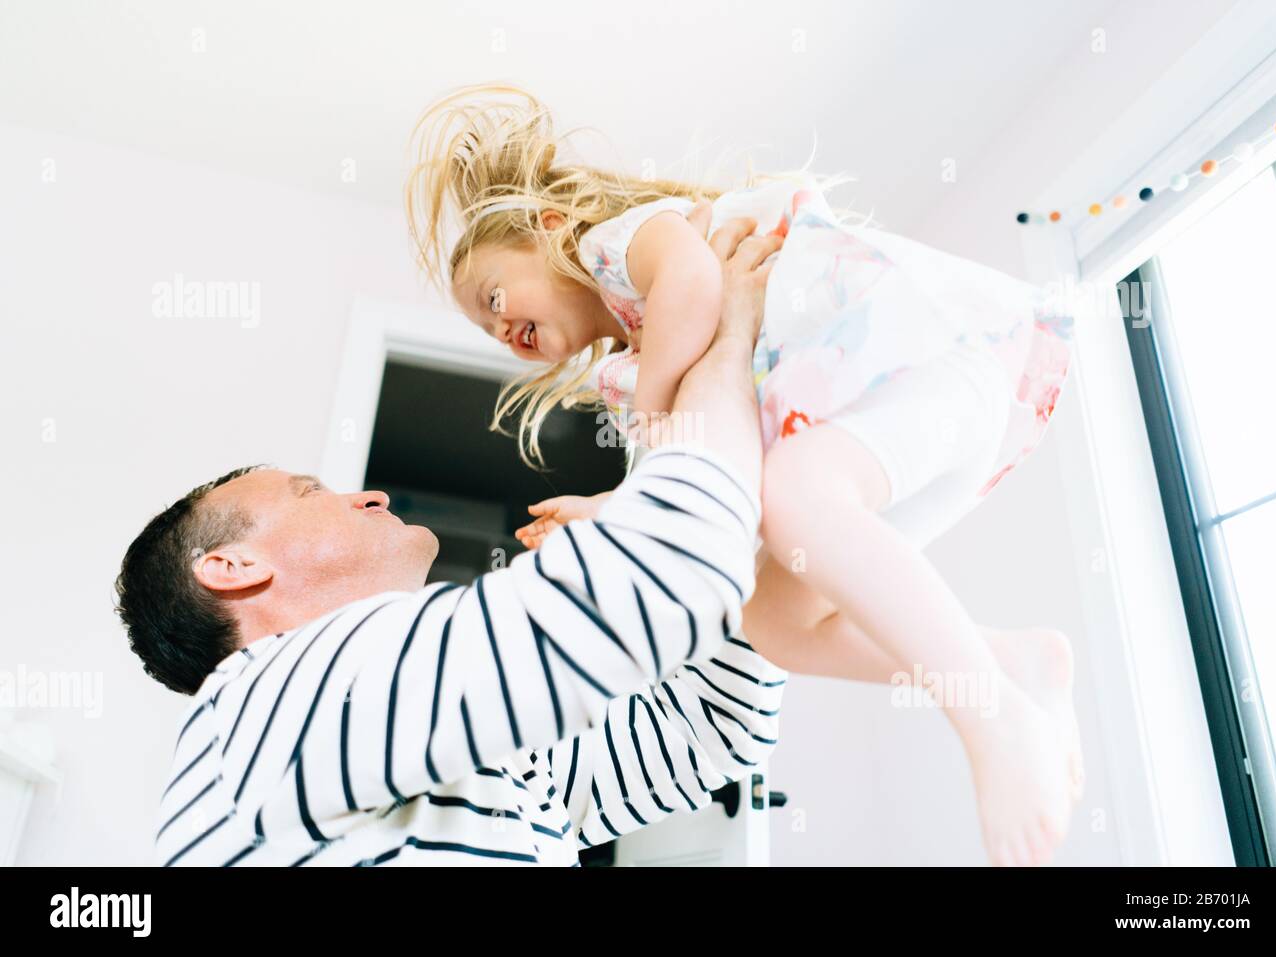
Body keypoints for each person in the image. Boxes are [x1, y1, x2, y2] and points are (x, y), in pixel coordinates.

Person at [405, 83, 1082, 866]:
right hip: (899, 413)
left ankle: (992, 722)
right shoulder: (639, 358)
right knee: (774, 618)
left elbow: (696, 284)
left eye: (495, 297)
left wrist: (655, 420)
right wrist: (619, 505)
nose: (502, 328)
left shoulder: (619, 249)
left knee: (796, 495)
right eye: (490, 331)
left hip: (930, 357)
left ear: (551, 228)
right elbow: (705, 475)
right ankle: (1006, 661)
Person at [115, 209, 785, 866]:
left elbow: (707, 730)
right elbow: (681, 568)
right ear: (232, 565)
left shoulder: (485, 755)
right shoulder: (255, 712)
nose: (371, 494)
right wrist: (727, 348)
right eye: (309, 491)